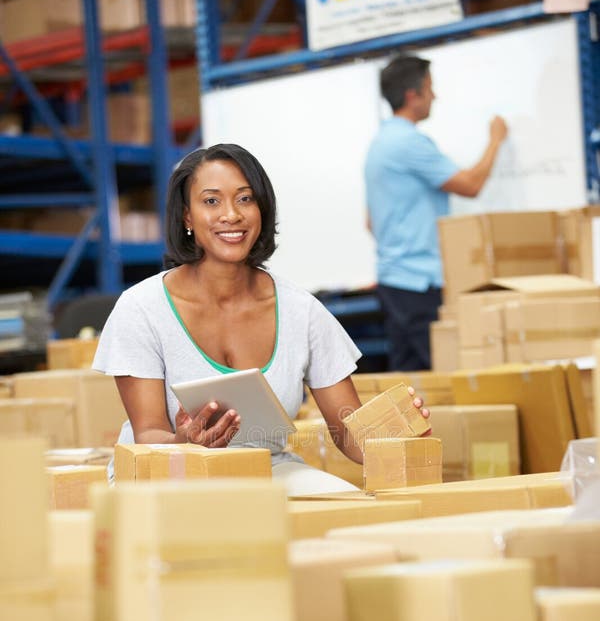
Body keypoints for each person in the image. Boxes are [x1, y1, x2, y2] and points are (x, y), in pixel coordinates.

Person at [93, 142, 429, 494]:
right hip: (167, 472)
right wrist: (185, 440)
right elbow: (148, 434)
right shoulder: (141, 308)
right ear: (186, 216)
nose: (231, 215)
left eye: (245, 199)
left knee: (348, 505)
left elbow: (347, 429)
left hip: (265, 468)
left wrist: (394, 435)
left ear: (262, 210)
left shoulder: (302, 311)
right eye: (211, 201)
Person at [365, 53, 508, 371]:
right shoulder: (408, 144)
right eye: (430, 88)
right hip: (419, 285)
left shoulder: (380, 144)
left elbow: (370, 222)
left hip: (395, 281)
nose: (435, 96)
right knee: (444, 376)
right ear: (412, 95)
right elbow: (470, 184)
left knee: (413, 384)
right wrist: (496, 141)